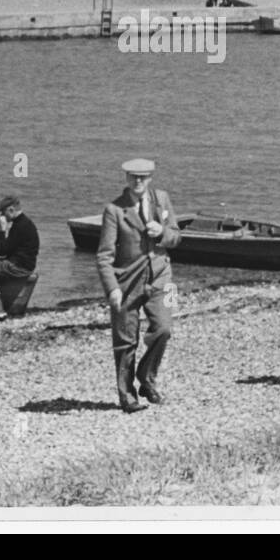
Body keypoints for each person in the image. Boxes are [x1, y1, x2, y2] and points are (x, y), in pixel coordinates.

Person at [96, 159, 180, 412]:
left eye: (143, 177)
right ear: (126, 178)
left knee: (164, 329)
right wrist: (112, 288)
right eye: (134, 177)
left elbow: (177, 237)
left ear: (151, 177)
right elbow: (104, 256)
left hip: (161, 278)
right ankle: (127, 395)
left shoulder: (162, 199)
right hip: (126, 282)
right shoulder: (114, 210)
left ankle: (146, 377)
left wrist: (163, 232)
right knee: (125, 341)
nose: (138, 181)